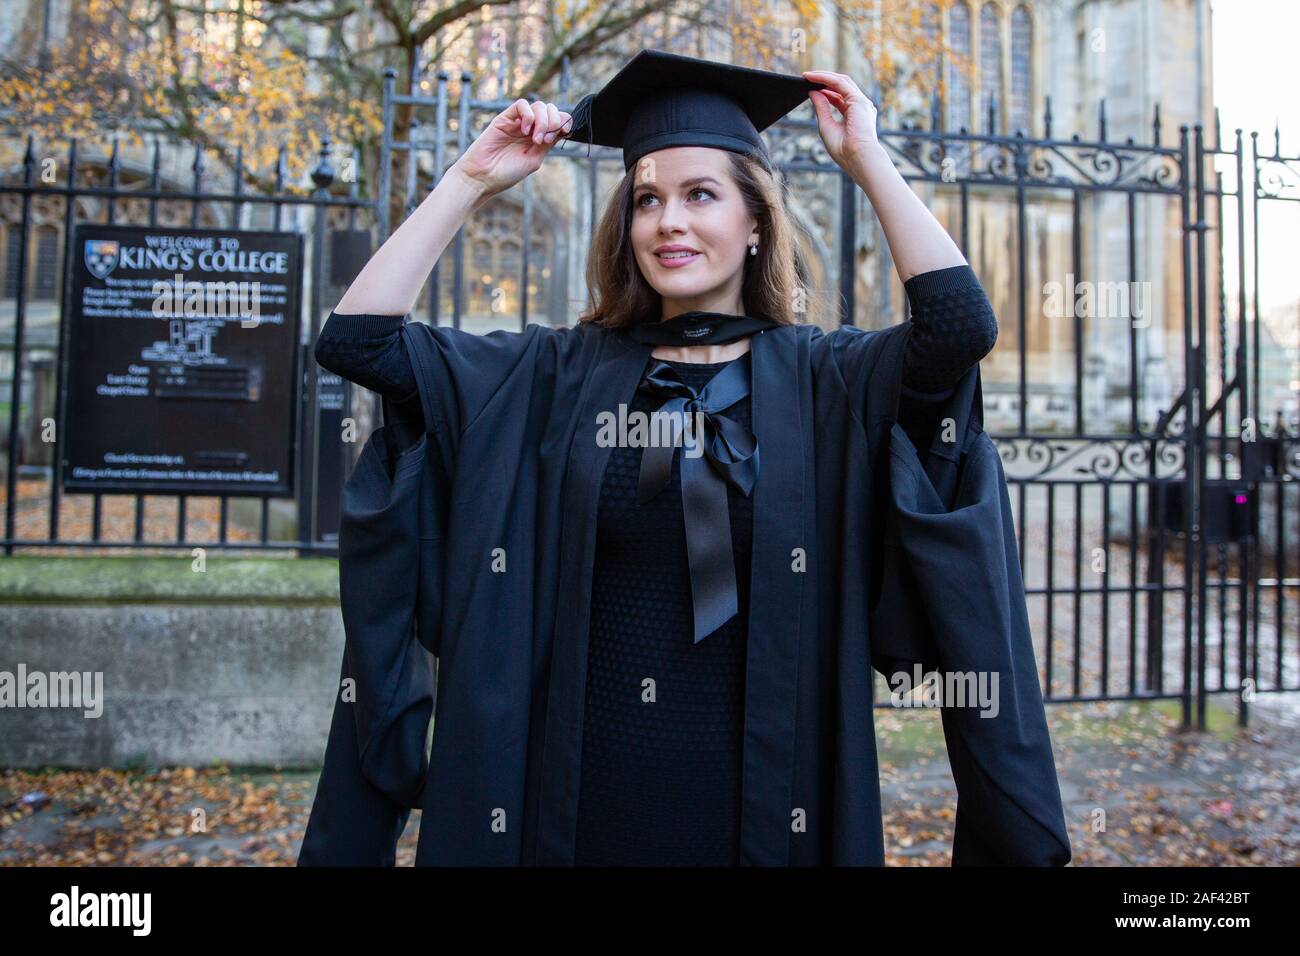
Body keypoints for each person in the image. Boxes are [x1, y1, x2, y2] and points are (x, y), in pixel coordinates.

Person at [299, 49, 1070, 867]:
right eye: (647, 200)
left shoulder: (827, 381)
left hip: (768, 806)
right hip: (574, 804)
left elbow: (959, 329)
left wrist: (867, 161)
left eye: (701, 195)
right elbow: (358, 341)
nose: (668, 221)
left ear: (756, 223)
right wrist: (470, 180)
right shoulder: (552, 376)